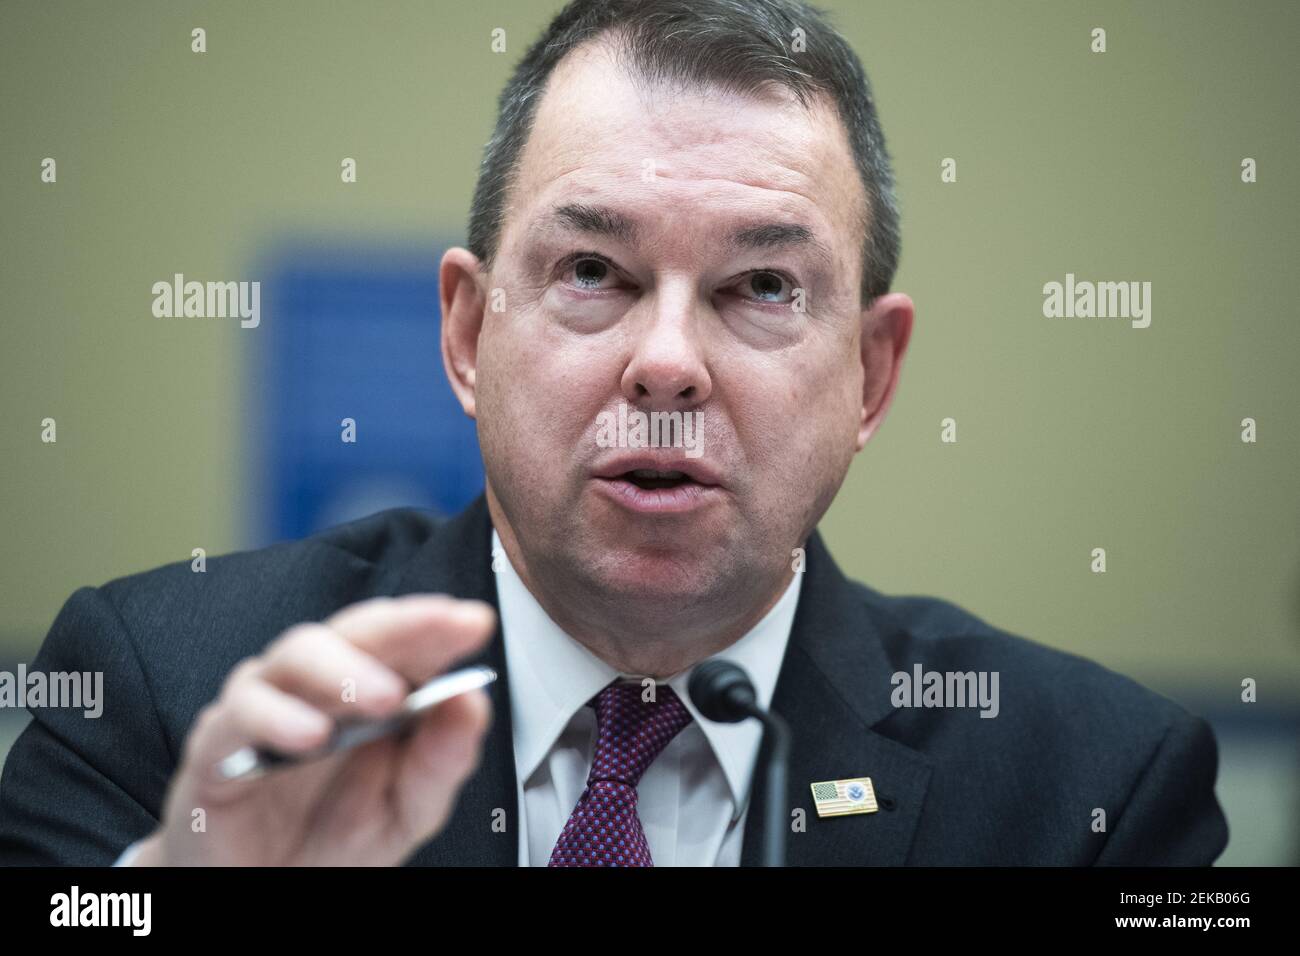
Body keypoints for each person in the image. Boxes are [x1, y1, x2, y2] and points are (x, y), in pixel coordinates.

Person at [0, 0, 1227, 866]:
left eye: (761, 287)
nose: (667, 362)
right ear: (470, 333)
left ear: (871, 373)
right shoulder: (163, 688)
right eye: (593, 268)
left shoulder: (1095, 789)